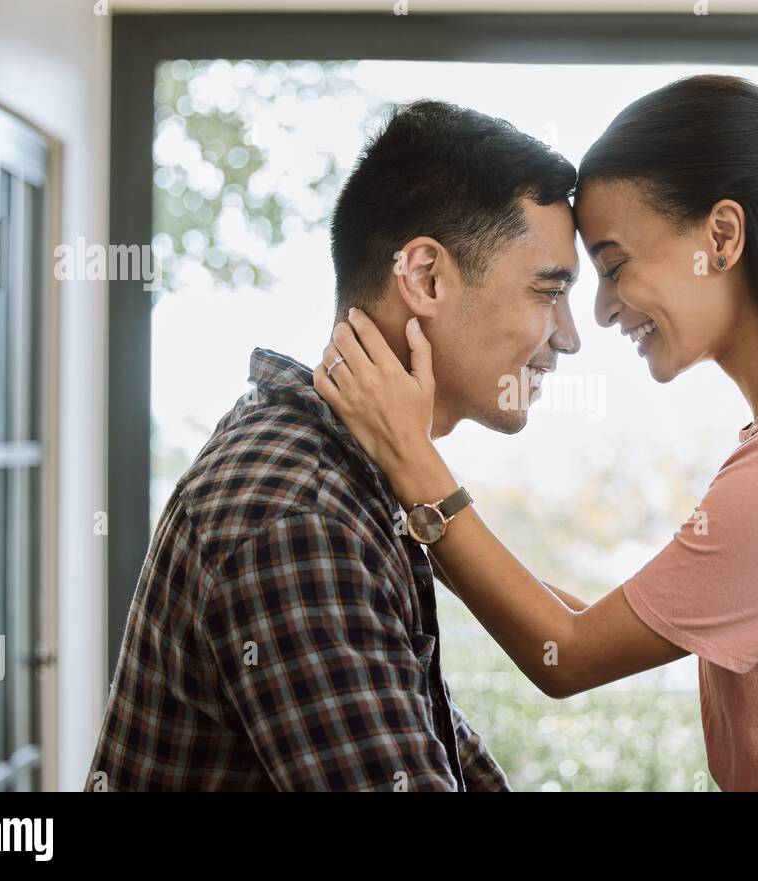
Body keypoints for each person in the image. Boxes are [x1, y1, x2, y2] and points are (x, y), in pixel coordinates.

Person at [313, 75, 758, 792]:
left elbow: (564, 653)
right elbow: (582, 622)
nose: (598, 314)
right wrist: (411, 505)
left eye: (615, 266)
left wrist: (410, 458)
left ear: (721, 235)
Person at [85, 99, 581, 790]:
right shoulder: (301, 515)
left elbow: (434, 746)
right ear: (427, 277)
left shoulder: (345, 479)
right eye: (548, 290)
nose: (568, 335)